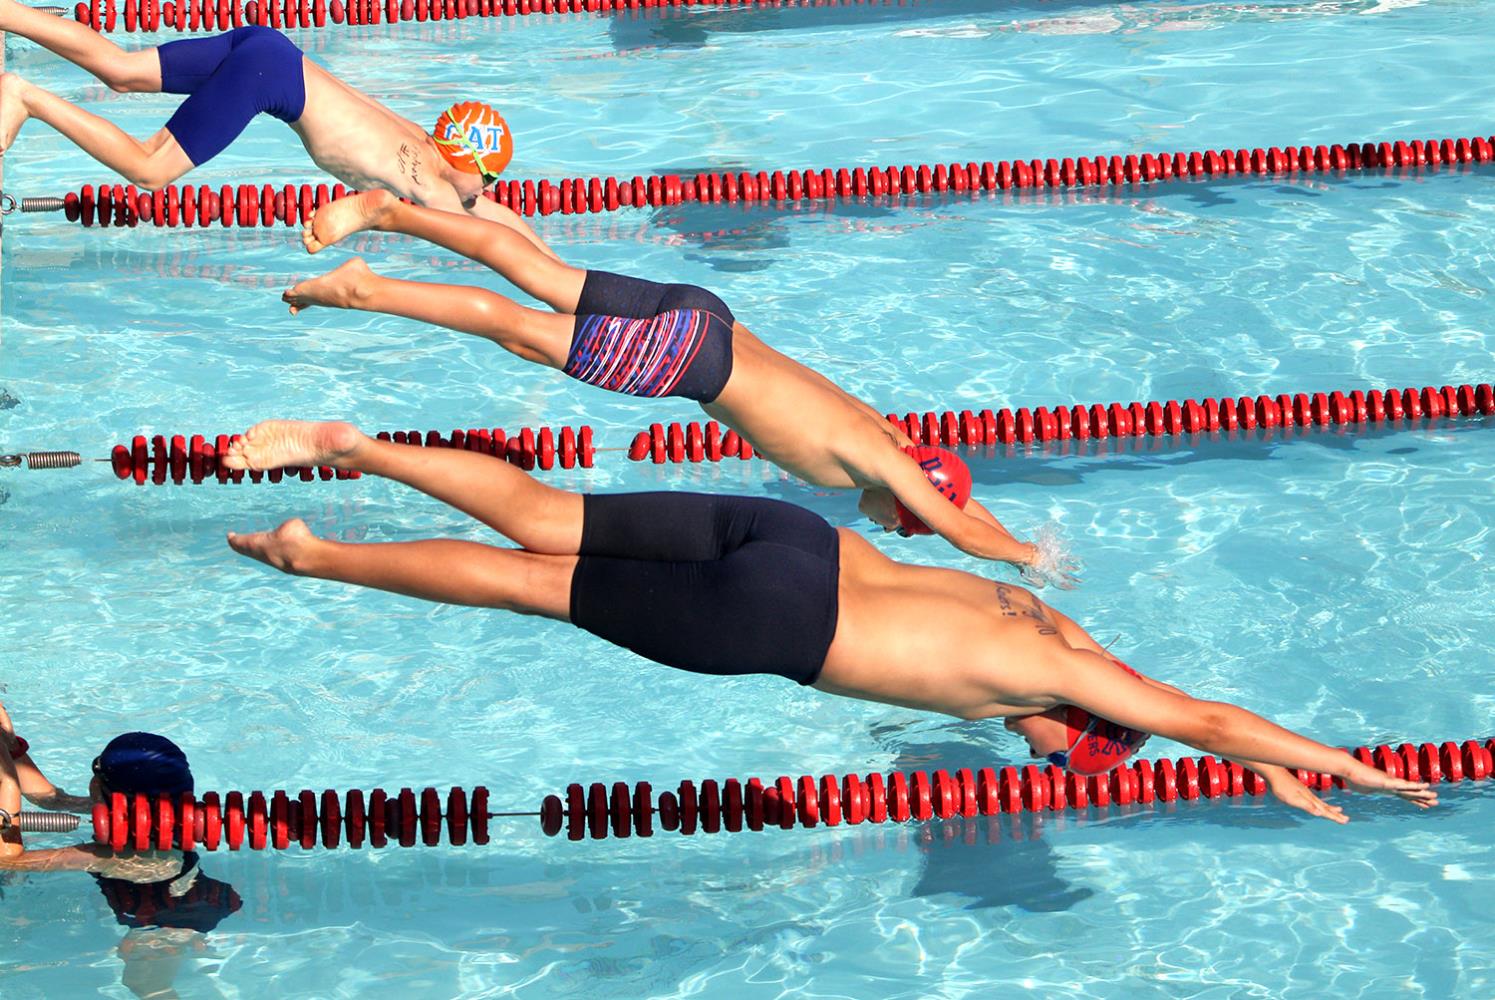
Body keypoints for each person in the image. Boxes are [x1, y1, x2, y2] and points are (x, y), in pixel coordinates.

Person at [221, 418, 1435, 823]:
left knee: (548, 514)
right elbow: (1199, 718)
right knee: (523, 581)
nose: (1033, 753)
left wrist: (1262, 766)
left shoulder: (1034, 621)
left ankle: (362, 444)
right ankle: (318, 553)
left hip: (794, 538)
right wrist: (1341, 766)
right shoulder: (1048, 686)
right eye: (1059, 755)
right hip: (778, 618)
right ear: (1081, 728)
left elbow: (1173, 701)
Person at [277, 189, 1072, 581]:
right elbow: (959, 526)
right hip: (689, 362)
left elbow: (955, 501)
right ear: (908, 502)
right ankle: (367, 290)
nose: (899, 532)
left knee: (542, 273)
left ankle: (389, 212)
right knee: (517, 329)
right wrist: (1026, 558)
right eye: (907, 527)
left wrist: (998, 528)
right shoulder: (886, 468)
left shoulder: (887, 436)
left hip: (708, 317)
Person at [0, 6, 554, 255]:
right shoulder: (432, 188)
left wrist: (562, 268)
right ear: (468, 166)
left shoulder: (424, 143)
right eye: (488, 180)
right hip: (267, 78)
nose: (486, 193)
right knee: (149, 168)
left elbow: (498, 216)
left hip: (270, 49)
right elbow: (493, 240)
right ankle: (26, 97)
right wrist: (558, 286)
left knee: (121, 71)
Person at [0, 703, 241, 999]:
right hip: (179, 902)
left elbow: (8, 860)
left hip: (162, 926)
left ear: (104, 792)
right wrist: (10, 746)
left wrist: (7, 787)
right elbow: (52, 799)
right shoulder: (151, 818)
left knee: (147, 986)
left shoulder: (115, 857)